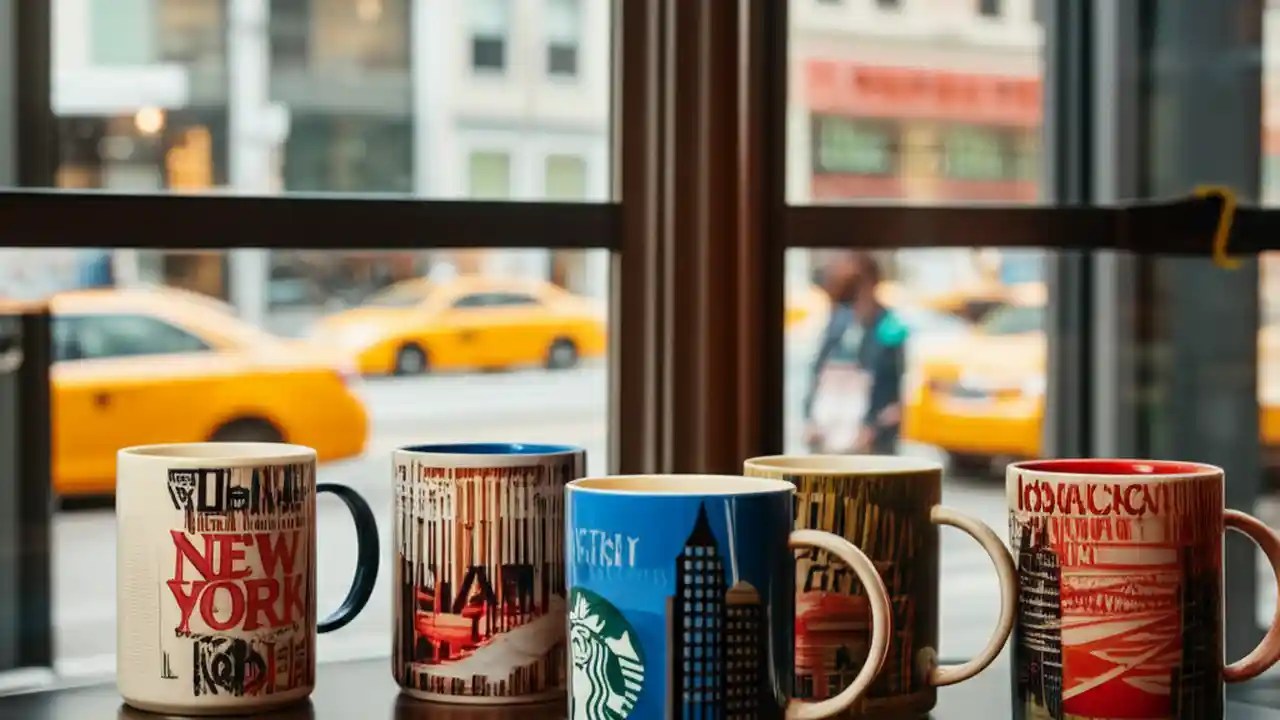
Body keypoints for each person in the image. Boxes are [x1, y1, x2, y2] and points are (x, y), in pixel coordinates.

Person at [802, 251, 907, 455]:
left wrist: (875, 427)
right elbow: (818, 372)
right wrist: (810, 419)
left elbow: (894, 385)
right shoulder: (838, 324)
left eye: (858, 287)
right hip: (829, 439)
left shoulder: (889, 326)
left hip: (868, 442)